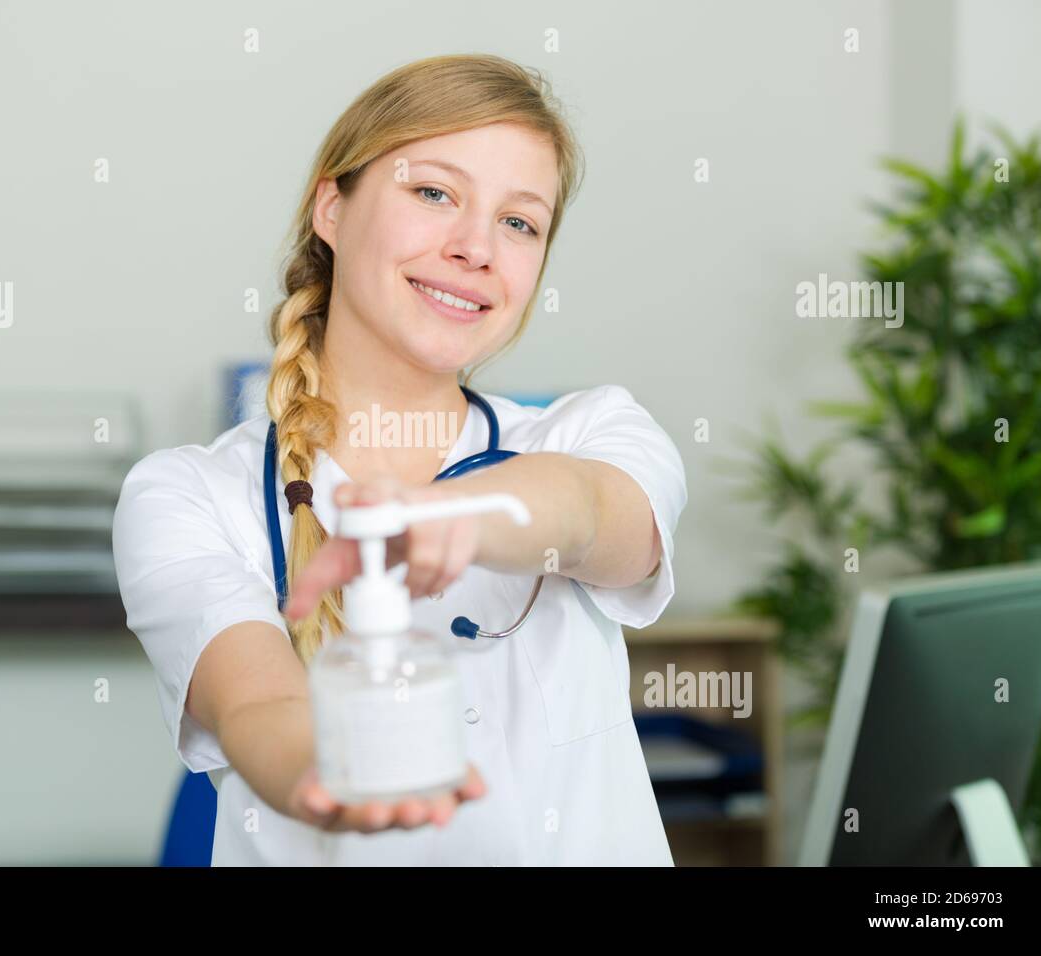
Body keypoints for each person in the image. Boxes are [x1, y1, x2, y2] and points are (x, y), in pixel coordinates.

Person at [112, 53, 687, 866]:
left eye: (520, 222)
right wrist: (323, 773)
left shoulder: (592, 431)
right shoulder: (188, 495)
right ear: (332, 209)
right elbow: (256, 702)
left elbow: (594, 516)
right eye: (434, 193)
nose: (477, 247)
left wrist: (457, 516)